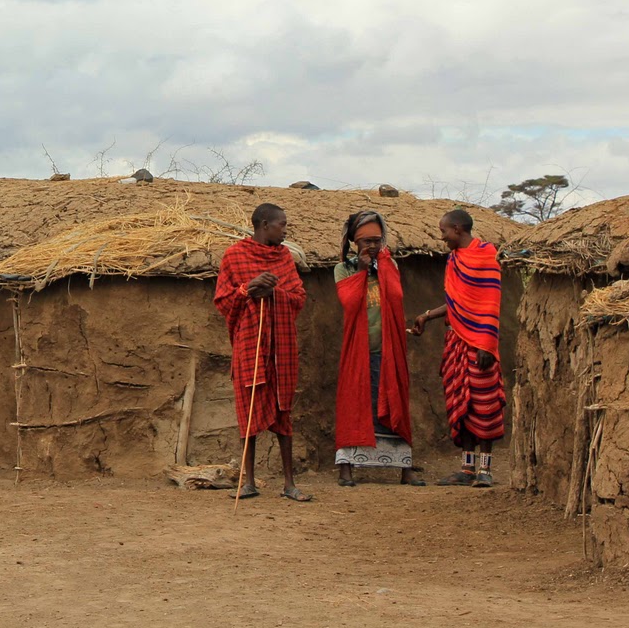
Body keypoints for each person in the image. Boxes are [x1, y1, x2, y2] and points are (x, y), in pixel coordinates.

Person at [214, 202, 311, 502]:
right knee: (248, 414)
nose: (285, 230)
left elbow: (298, 297)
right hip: (249, 346)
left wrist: (274, 293)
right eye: (281, 224)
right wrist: (248, 289)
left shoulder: (285, 258)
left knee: (283, 414)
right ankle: (249, 481)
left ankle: (289, 483)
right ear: (264, 225)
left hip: (281, 348)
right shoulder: (235, 256)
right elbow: (222, 300)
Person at [410, 208, 506, 487]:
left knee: (485, 406)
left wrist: (487, 344)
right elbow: (455, 303)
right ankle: (466, 469)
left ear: (458, 229)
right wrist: (427, 316)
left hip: (481, 344)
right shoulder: (454, 260)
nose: (441, 238)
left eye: (443, 232)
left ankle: (485, 471)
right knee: (460, 404)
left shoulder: (487, 257)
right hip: (456, 341)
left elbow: (491, 302)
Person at [332, 211, 423, 487]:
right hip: (359, 349)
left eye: (376, 240)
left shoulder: (389, 264)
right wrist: (361, 272)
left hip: (389, 349)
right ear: (354, 242)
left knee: (395, 402)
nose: (372, 246)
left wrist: (381, 267)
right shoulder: (344, 269)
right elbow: (349, 302)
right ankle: (346, 467)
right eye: (366, 241)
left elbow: (395, 296)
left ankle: (404, 468)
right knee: (355, 404)